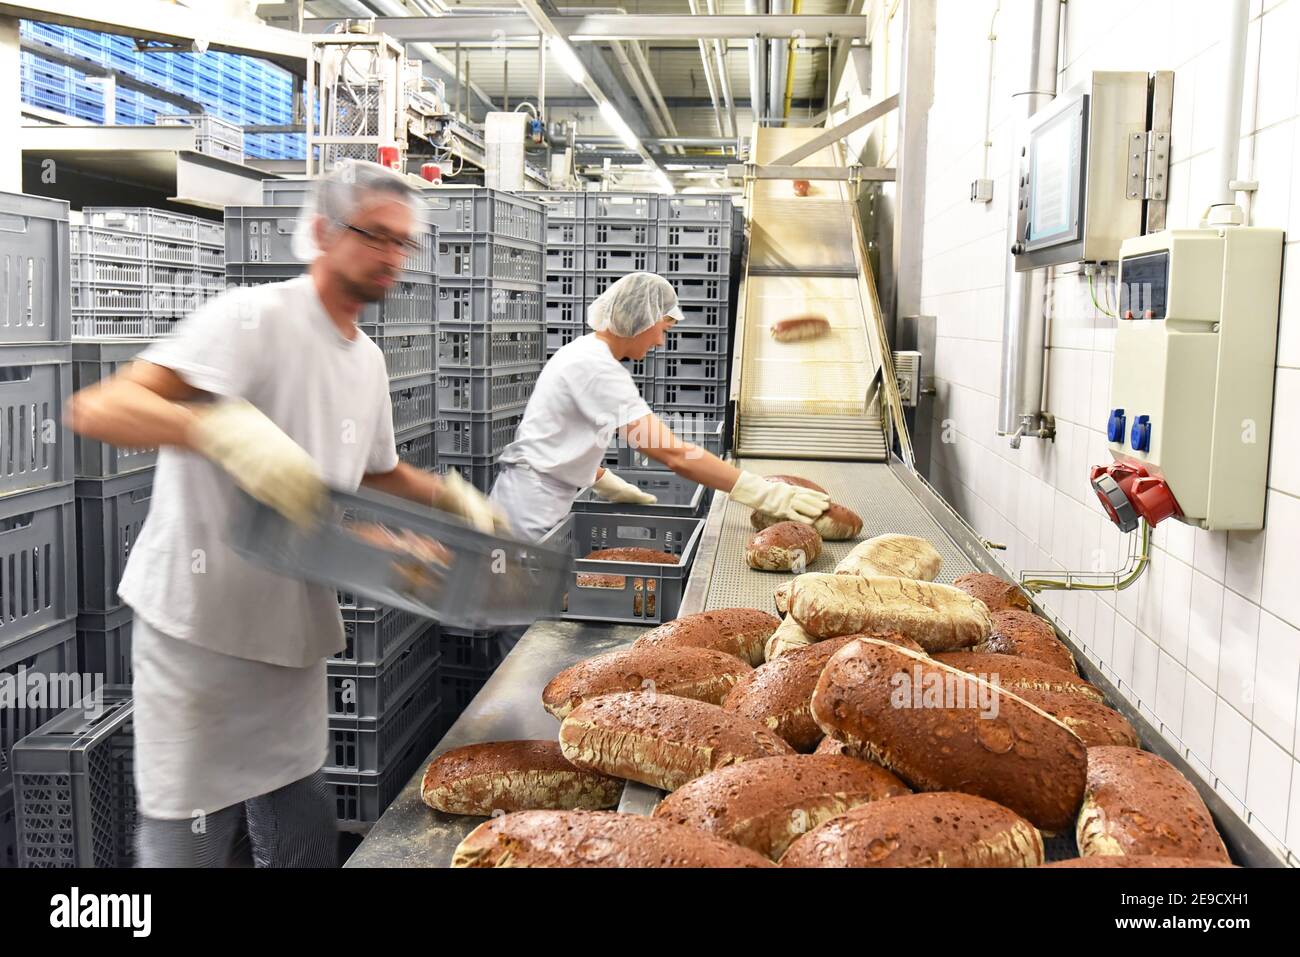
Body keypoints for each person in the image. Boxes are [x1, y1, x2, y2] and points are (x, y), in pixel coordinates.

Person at [64, 160, 501, 868]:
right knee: (193, 829)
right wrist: (219, 431)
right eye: (375, 236)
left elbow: (374, 472)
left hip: (290, 620)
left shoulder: (365, 360)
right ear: (324, 233)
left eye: (403, 243)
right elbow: (101, 406)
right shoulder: (250, 319)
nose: (392, 255)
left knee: (297, 807)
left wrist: (452, 501)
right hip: (201, 625)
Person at [489, 271, 831, 541]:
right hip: (530, 513)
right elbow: (674, 454)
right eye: (662, 328)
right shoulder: (596, 368)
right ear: (638, 319)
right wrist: (763, 493)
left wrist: (606, 481)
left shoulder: (585, 353)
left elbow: (558, 436)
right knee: (521, 621)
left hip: (539, 499)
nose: (659, 341)